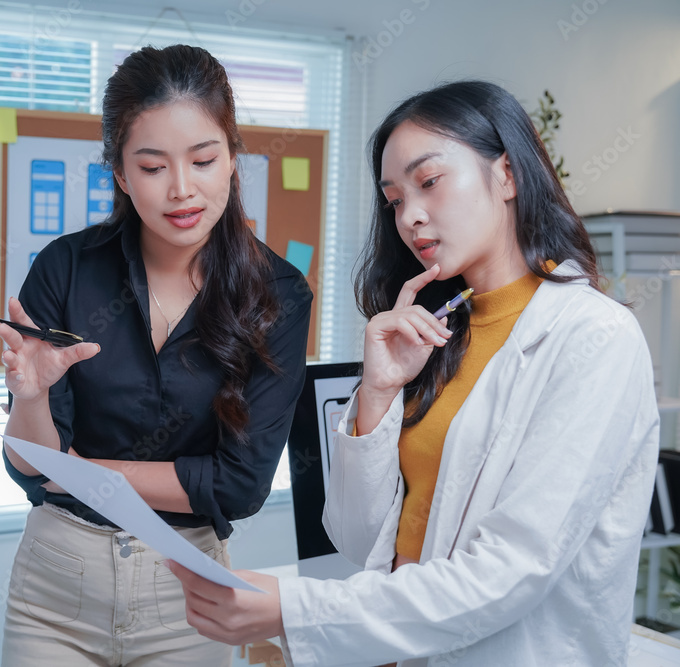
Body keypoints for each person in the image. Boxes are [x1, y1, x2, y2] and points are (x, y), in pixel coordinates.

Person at [167, 79, 660, 666]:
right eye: (395, 199)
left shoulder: (592, 338)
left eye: (429, 183)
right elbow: (356, 539)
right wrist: (377, 393)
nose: (411, 218)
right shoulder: (439, 333)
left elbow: (511, 572)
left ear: (508, 175)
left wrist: (294, 608)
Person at [0, 44, 312, 666]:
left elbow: (241, 485)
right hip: (55, 588)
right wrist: (30, 400)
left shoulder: (278, 295)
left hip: (187, 590)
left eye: (203, 159)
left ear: (232, 159)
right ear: (118, 173)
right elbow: (30, 463)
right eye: (151, 166)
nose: (181, 189)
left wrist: (80, 470)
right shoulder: (65, 268)